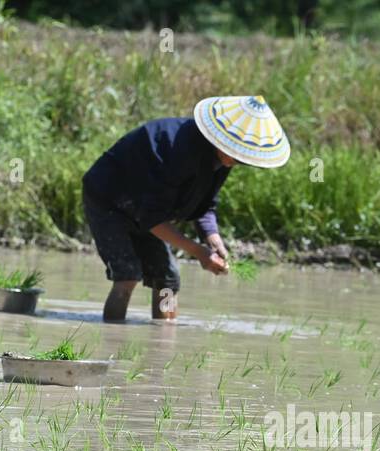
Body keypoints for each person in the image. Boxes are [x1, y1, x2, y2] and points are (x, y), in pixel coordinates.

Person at [82, 96, 289, 323]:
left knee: (168, 281)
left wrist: (213, 239)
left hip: (146, 206)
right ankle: (112, 344)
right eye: (234, 155)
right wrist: (199, 252)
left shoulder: (221, 159)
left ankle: (163, 345)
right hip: (110, 199)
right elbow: (152, 219)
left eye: (241, 159)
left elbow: (205, 205)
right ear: (219, 139)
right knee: (127, 276)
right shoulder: (178, 149)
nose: (234, 162)